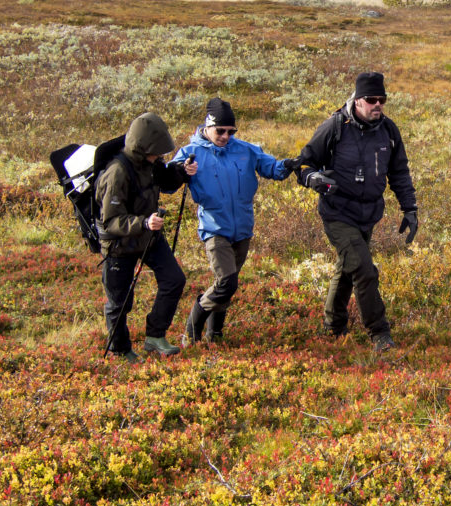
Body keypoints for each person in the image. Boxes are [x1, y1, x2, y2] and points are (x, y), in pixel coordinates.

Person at [294, 71, 418, 352]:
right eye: (371, 99)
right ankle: (380, 334)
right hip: (337, 213)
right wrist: (312, 178)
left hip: (369, 214)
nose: (377, 105)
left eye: (382, 100)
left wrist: (410, 208)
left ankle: (333, 325)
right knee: (364, 270)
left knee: (348, 268)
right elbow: (302, 164)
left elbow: (399, 172)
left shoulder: (389, 130)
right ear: (358, 100)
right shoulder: (334, 127)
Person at [172, 97, 293, 345]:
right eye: (221, 131)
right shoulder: (190, 154)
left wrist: (293, 164)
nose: (226, 136)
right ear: (207, 126)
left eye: (231, 131)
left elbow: (274, 169)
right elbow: (167, 179)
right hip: (214, 229)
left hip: (243, 229)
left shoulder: (246, 150)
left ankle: (214, 334)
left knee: (227, 284)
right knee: (227, 281)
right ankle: (193, 325)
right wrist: (181, 170)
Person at [97, 111, 197, 363]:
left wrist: (182, 172)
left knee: (174, 280)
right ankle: (120, 350)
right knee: (120, 303)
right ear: (143, 148)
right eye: (157, 152)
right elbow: (110, 220)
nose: (160, 157)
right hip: (119, 244)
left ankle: (155, 336)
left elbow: (164, 180)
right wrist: (143, 222)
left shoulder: (149, 164)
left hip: (148, 237)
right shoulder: (117, 172)